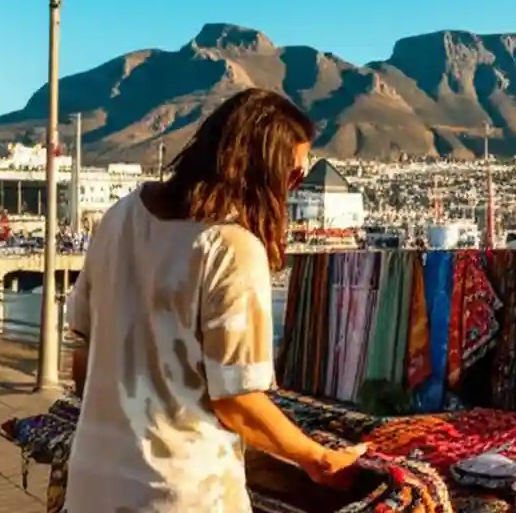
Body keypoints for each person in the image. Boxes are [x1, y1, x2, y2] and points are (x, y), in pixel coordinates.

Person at [63, 89, 365, 512]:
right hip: (180, 493)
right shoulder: (231, 248)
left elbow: (82, 350)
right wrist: (320, 458)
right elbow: (237, 400)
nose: (293, 187)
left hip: (92, 484)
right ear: (262, 169)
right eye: (293, 174)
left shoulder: (120, 215)